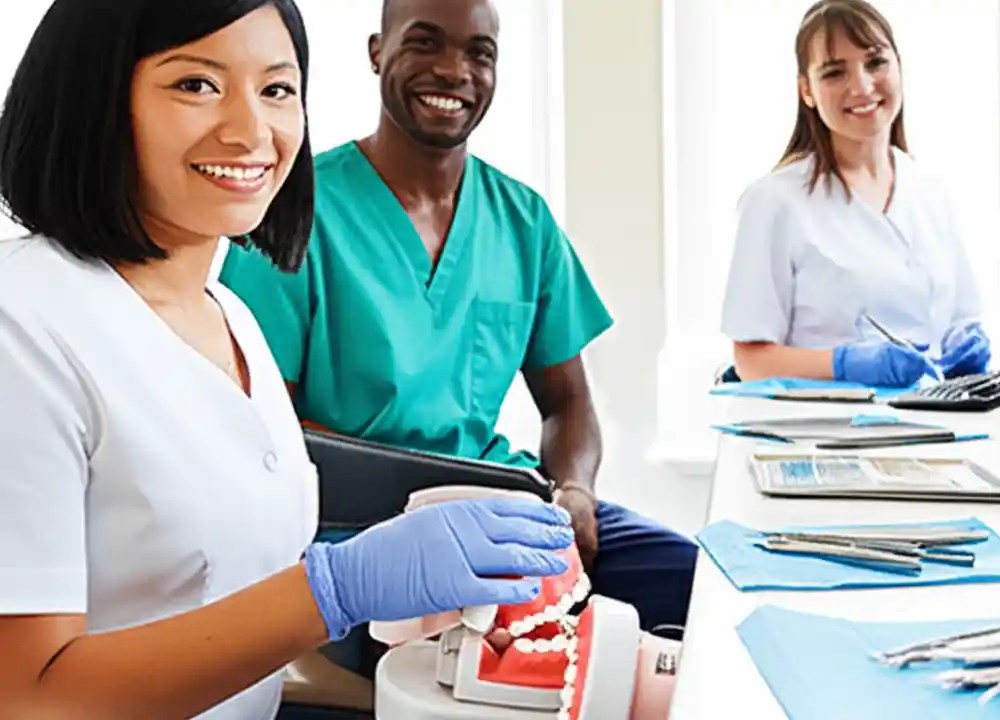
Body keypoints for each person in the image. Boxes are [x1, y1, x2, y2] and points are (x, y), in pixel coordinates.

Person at [0, 2, 574, 718]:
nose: (251, 132)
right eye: (197, 85)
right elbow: (27, 694)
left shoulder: (227, 319)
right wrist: (335, 591)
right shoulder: (21, 327)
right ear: (94, 96)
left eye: (276, 89)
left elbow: (241, 627)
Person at [217, 0, 697, 635]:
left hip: (503, 508)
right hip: (357, 536)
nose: (453, 69)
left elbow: (568, 402)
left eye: (479, 52)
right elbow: (260, 434)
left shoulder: (523, 221)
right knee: (484, 657)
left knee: (697, 588)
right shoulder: (296, 217)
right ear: (376, 53)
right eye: (425, 43)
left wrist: (576, 489)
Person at [720, 0, 992, 388]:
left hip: (935, 414)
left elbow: (960, 318)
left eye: (876, 62)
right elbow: (751, 362)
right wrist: (845, 364)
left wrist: (964, 343)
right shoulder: (773, 201)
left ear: (899, 68)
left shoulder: (929, 190)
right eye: (834, 72)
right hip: (825, 422)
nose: (862, 86)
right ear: (807, 91)